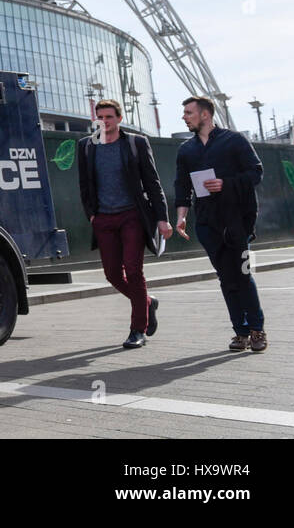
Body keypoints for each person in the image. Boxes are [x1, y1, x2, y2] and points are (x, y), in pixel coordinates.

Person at [172, 95, 267, 352]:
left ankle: (257, 329)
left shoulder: (234, 140)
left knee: (243, 274)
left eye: (189, 112)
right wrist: (181, 217)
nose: (184, 117)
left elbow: (255, 172)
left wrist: (226, 183)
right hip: (207, 223)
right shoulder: (186, 150)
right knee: (226, 278)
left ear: (205, 114)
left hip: (238, 221)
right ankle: (241, 333)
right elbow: (182, 187)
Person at [77, 99, 172, 348]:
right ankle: (148, 302)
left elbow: (152, 182)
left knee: (133, 271)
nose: (104, 121)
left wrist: (162, 218)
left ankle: (137, 330)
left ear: (119, 118)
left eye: (109, 116)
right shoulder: (86, 146)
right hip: (104, 219)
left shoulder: (135, 143)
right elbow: (84, 185)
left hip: (132, 215)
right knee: (112, 274)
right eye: (100, 117)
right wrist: (92, 215)